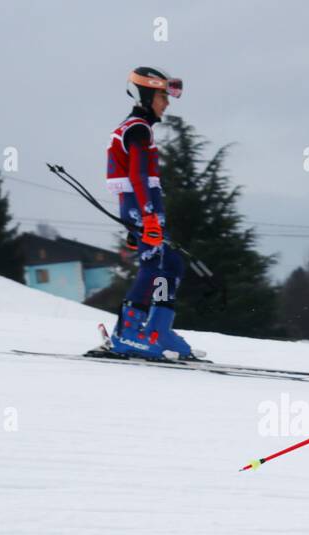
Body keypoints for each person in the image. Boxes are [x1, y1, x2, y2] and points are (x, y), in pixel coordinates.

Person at [103, 66, 199, 360]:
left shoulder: (138, 127)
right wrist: (146, 217)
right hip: (141, 205)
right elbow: (139, 175)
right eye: (161, 96)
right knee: (155, 265)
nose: (166, 103)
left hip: (143, 208)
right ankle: (127, 334)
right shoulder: (138, 129)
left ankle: (158, 330)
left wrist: (140, 226)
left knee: (170, 263)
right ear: (146, 95)